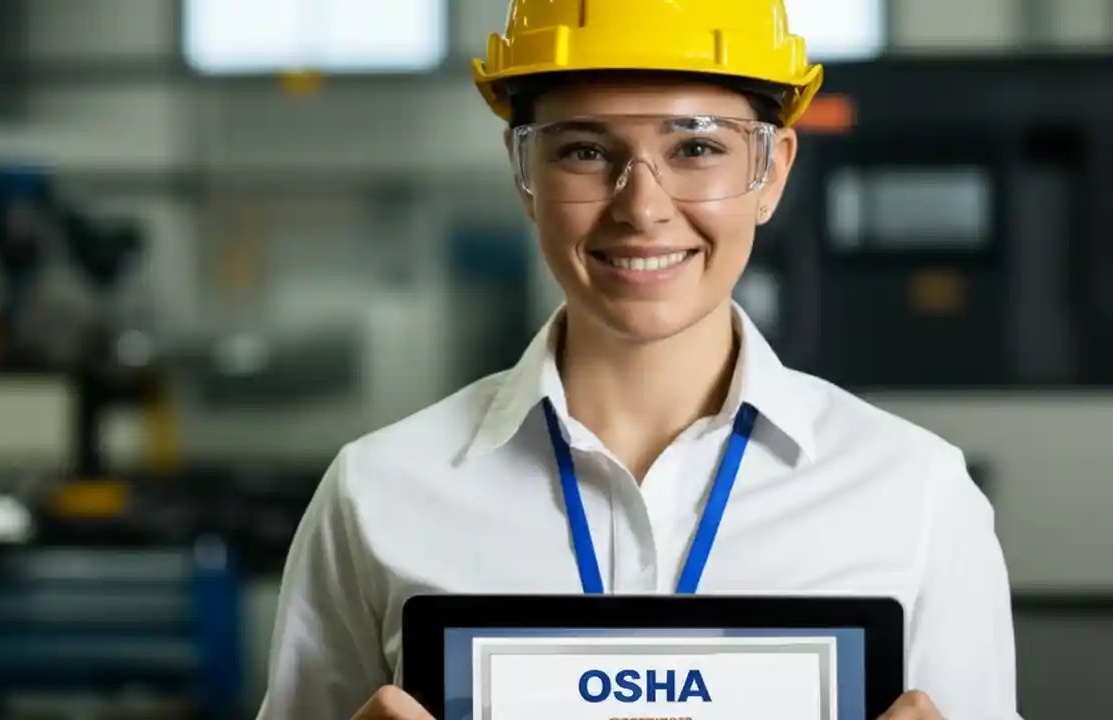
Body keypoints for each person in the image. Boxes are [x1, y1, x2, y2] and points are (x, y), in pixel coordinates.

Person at [256, 1, 1020, 718]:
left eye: (696, 148)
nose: (642, 207)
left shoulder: (913, 495)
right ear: (525, 175)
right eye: (586, 150)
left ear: (773, 171)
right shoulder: (380, 493)